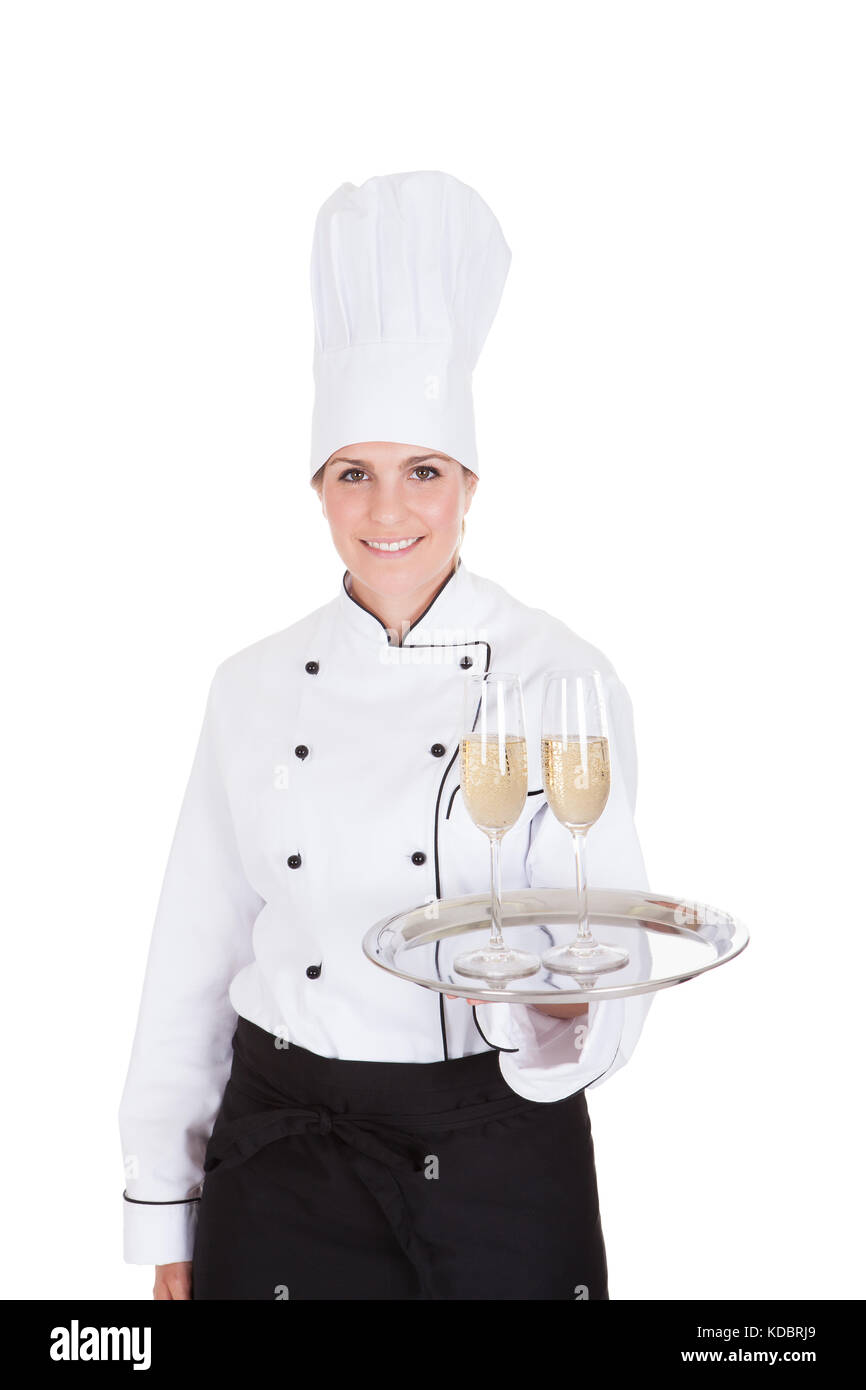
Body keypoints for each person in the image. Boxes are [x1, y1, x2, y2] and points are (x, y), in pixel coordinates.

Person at [118, 171, 654, 1301]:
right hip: (284, 1159)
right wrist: (163, 1209)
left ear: (467, 484)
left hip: (495, 1151)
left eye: (421, 473)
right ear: (316, 489)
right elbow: (192, 958)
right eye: (351, 474)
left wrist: (560, 1009)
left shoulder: (560, 678)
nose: (386, 511)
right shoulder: (251, 686)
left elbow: (609, 939)